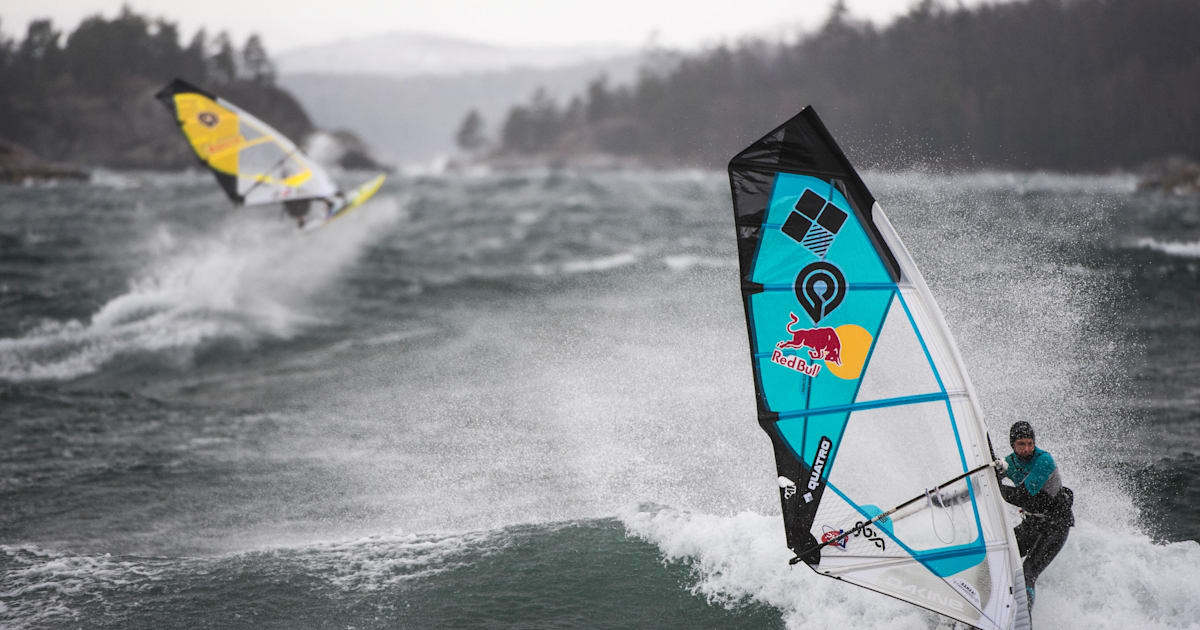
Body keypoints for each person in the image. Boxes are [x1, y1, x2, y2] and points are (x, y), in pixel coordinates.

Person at [997, 421, 1074, 608]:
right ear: (1013, 445)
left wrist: (996, 487)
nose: (1027, 448)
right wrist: (950, 498)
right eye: (1021, 444)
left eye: (1030, 443)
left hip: (1056, 527)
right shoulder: (1009, 463)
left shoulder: (1044, 460)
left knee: (1028, 571)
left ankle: (1024, 618)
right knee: (1000, 558)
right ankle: (993, 606)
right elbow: (982, 483)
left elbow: (1024, 497)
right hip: (1033, 524)